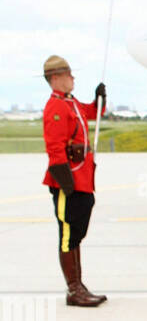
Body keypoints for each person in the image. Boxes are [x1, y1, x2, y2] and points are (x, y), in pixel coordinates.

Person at [41, 54, 107, 307]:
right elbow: (55, 147)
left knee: (77, 233)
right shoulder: (55, 107)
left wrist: (99, 98)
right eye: (68, 75)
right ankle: (73, 290)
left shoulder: (70, 102)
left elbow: (91, 113)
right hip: (68, 182)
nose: (72, 78)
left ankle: (79, 285)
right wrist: (66, 185)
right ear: (56, 78)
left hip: (82, 179)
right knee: (68, 234)